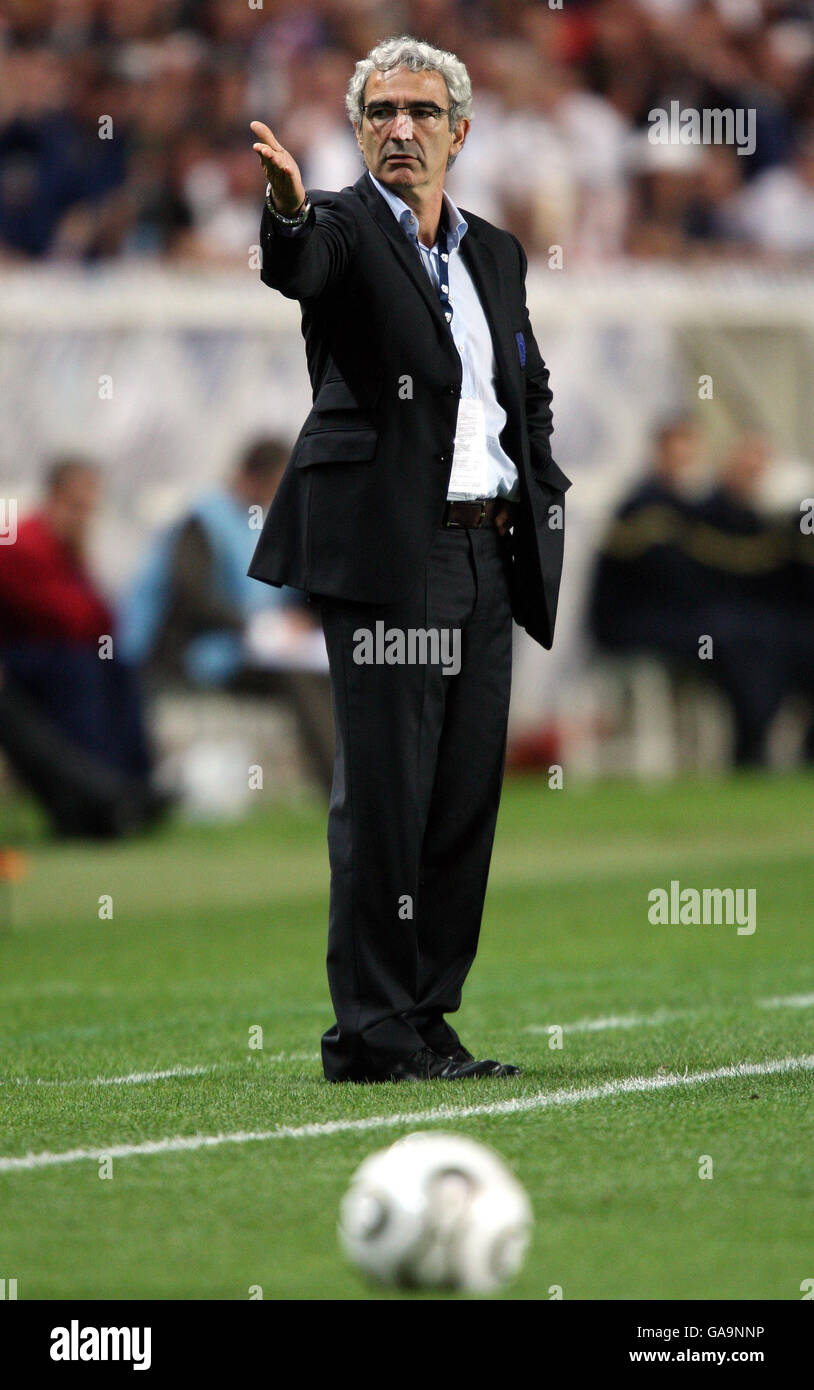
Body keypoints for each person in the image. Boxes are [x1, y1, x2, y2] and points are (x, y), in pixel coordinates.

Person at [247, 35, 571, 1084]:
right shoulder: (339, 225)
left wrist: (541, 474)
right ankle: (371, 1033)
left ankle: (427, 1016)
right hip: (395, 553)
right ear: (356, 130)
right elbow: (301, 268)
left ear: (459, 132)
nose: (400, 129)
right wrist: (287, 212)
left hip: (488, 547)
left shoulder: (497, 254)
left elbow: (522, 385)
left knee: (461, 798)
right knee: (386, 795)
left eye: (421, 113)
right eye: (380, 111)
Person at [0, 457, 165, 835]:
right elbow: (69, 618)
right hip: (28, 658)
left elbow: (104, 619)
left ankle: (133, 788)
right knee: (80, 673)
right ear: (53, 498)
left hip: (63, 655)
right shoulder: (22, 544)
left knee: (121, 668)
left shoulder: (68, 550)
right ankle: (98, 796)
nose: (84, 517)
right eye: (77, 506)